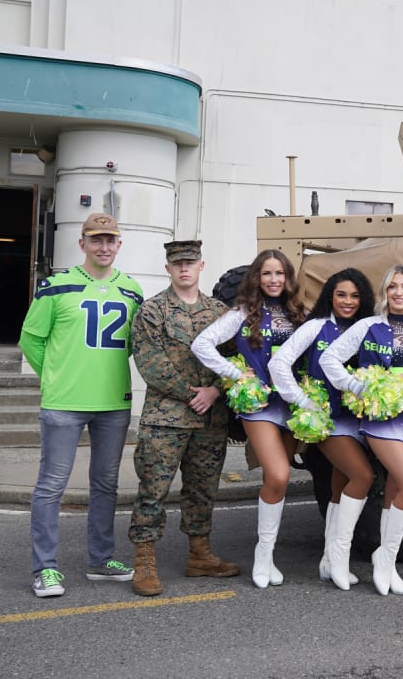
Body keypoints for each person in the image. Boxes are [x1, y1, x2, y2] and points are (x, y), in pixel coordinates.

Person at [20, 212, 143, 598]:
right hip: (64, 402)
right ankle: (45, 568)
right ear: (83, 244)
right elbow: (31, 339)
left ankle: (101, 559)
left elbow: (139, 346)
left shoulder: (133, 290)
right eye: (96, 240)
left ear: (119, 245)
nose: (103, 247)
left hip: (113, 402)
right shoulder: (56, 286)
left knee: (106, 484)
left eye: (110, 240)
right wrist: (54, 377)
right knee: (51, 486)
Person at [128, 240, 238, 597]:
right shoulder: (152, 311)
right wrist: (194, 393)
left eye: (190, 263)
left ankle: (200, 555)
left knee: (203, 488)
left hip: (210, 418)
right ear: (168, 269)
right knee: (153, 490)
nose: (184, 269)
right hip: (166, 418)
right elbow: (150, 362)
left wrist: (216, 391)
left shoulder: (221, 312)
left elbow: (238, 358)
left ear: (202, 265)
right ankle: (144, 560)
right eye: (178, 264)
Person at [191, 249, 306, 588]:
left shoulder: (296, 313)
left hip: (291, 403)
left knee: (278, 482)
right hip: (259, 405)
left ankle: (268, 555)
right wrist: (236, 375)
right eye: (267, 274)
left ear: (288, 279)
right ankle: (262, 555)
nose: (273, 280)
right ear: (257, 278)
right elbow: (203, 344)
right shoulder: (242, 313)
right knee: (279, 475)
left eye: (279, 274)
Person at [318, 266, 403, 596]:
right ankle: (358, 556)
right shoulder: (369, 326)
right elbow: (330, 360)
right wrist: (358, 388)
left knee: (397, 491)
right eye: (393, 287)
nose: (399, 292)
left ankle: (387, 564)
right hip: (381, 420)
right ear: (385, 292)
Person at [268, 269, 375, 592]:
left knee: (340, 485)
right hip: (327, 420)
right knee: (363, 477)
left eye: (355, 296)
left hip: (355, 418)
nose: (348, 301)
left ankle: (328, 560)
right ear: (330, 295)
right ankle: (339, 559)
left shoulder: (365, 328)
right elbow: (279, 364)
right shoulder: (316, 327)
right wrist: (303, 402)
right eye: (341, 294)